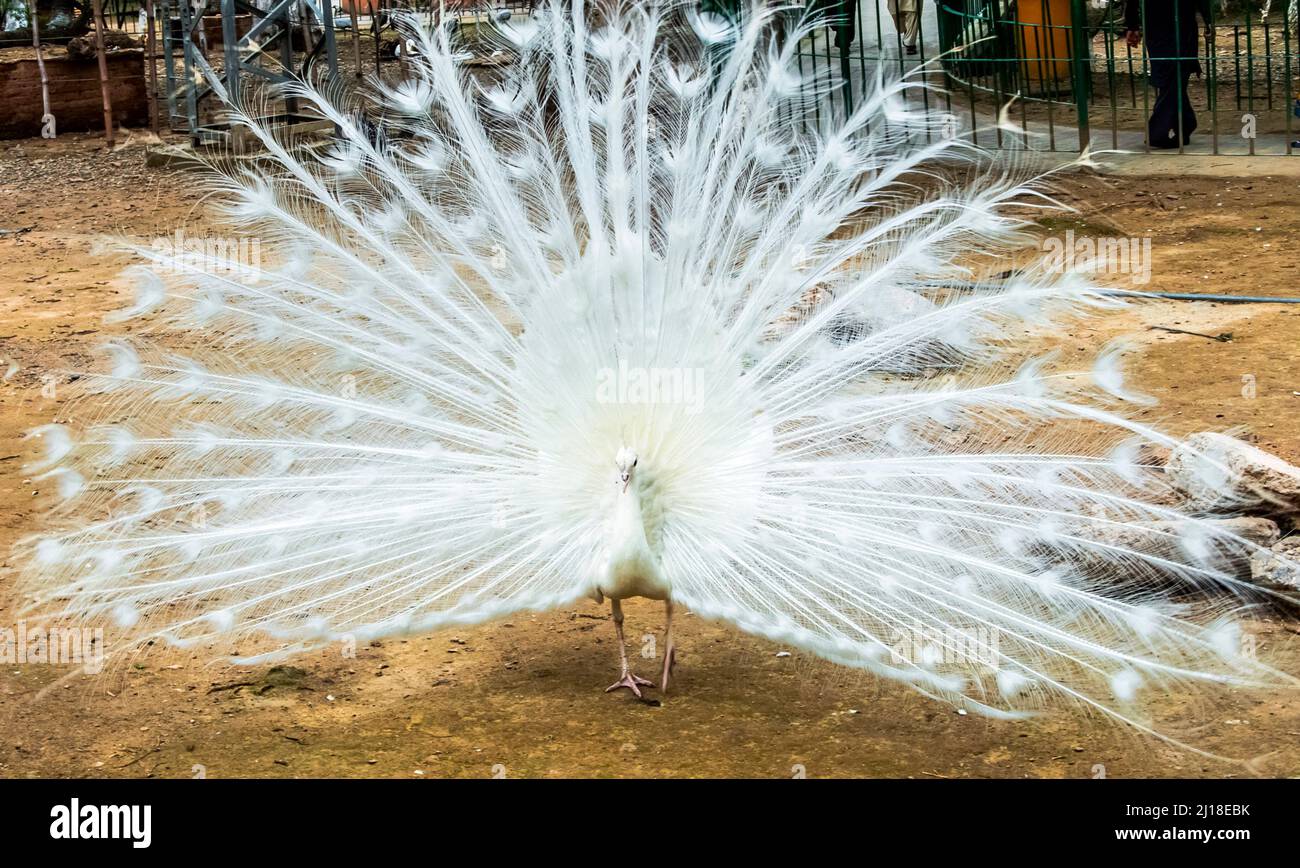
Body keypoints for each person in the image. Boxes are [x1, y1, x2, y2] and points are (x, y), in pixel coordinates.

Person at [1124, 0, 1212, 149]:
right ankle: (1164, 130)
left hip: (1164, 24)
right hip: (1172, 24)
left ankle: (1183, 126)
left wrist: (1132, 25)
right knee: (1173, 75)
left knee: (1173, 75)